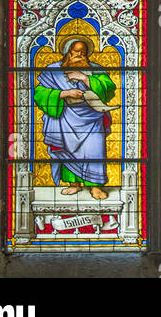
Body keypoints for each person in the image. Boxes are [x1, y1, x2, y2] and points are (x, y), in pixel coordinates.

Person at [33, 36, 116, 200]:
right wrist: (65, 93)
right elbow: (39, 94)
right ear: (67, 52)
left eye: (83, 52)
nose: (80, 55)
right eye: (76, 51)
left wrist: (85, 78)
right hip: (64, 118)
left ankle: (95, 186)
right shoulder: (53, 70)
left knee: (95, 150)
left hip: (92, 118)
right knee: (67, 150)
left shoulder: (95, 69)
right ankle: (74, 184)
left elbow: (109, 89)